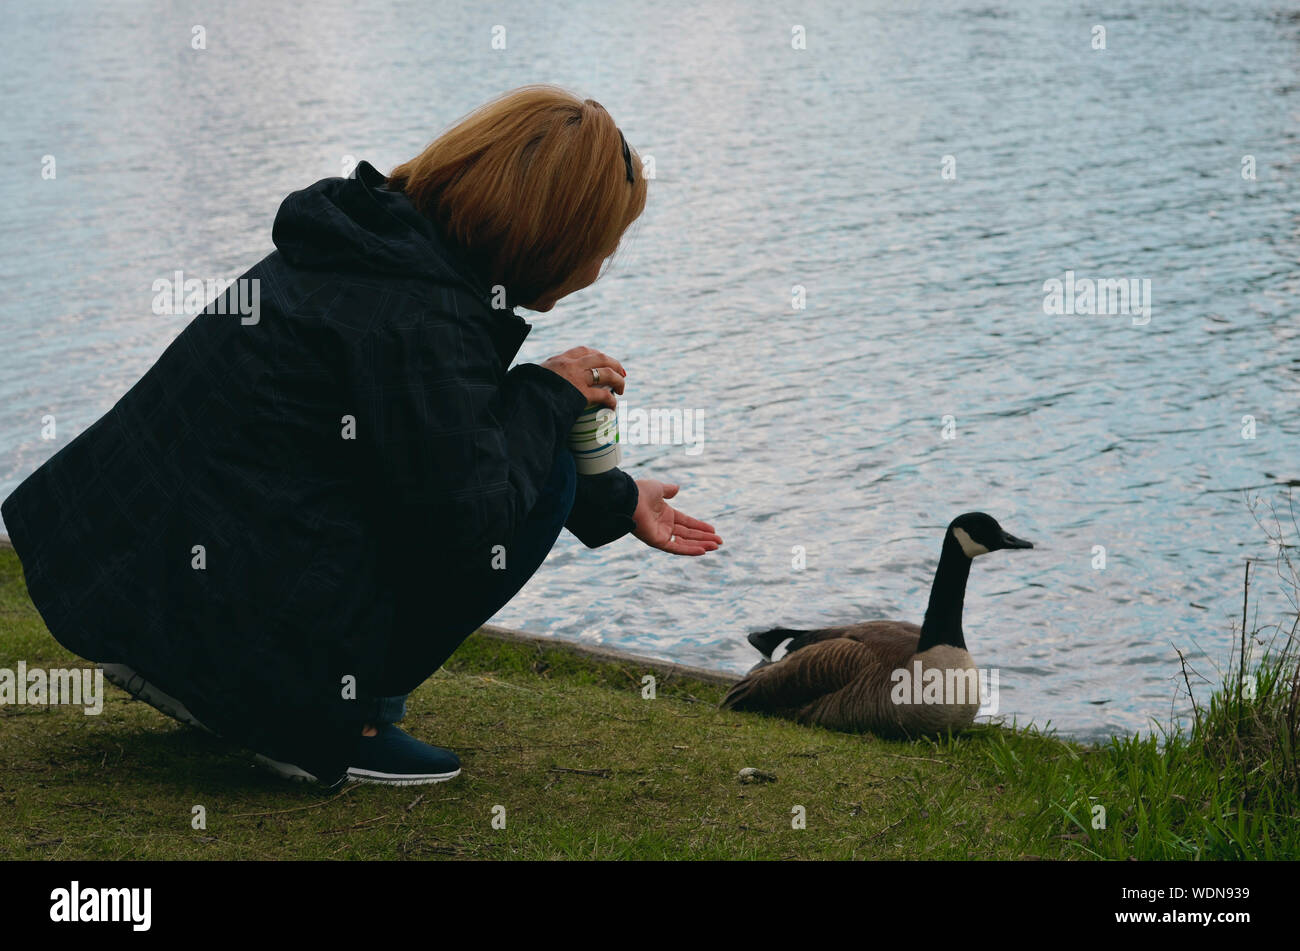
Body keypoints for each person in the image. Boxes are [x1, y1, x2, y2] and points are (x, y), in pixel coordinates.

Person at [1, 85, 722, 789]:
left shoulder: (374, 246)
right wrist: (548, 393)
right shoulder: (421, 315)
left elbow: (443, 440)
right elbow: (471, 520)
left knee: (524, 441)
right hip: (215, 620)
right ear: (554, 235)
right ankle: (342, 726)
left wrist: (617, 498)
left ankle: (213, 672)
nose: (603, 265)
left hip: (123, 579)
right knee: (535, 474)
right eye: (606, 245)